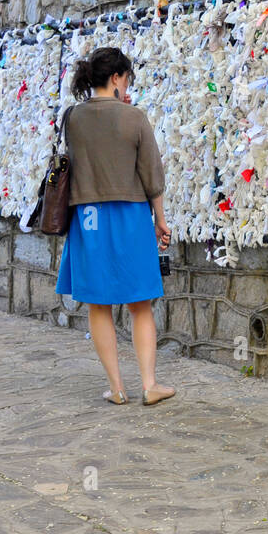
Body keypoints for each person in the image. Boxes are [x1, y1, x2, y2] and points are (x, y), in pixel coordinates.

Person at [56, 47, 176, 407]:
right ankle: (150, 384)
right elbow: (152, 175)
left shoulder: (72, 118)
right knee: (140, 304)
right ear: (116, 78)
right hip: (131, 216)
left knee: (98, 305)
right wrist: (161, 220)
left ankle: (117, 387)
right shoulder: (134, 118)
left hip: (88, 218)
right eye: (127, 79)